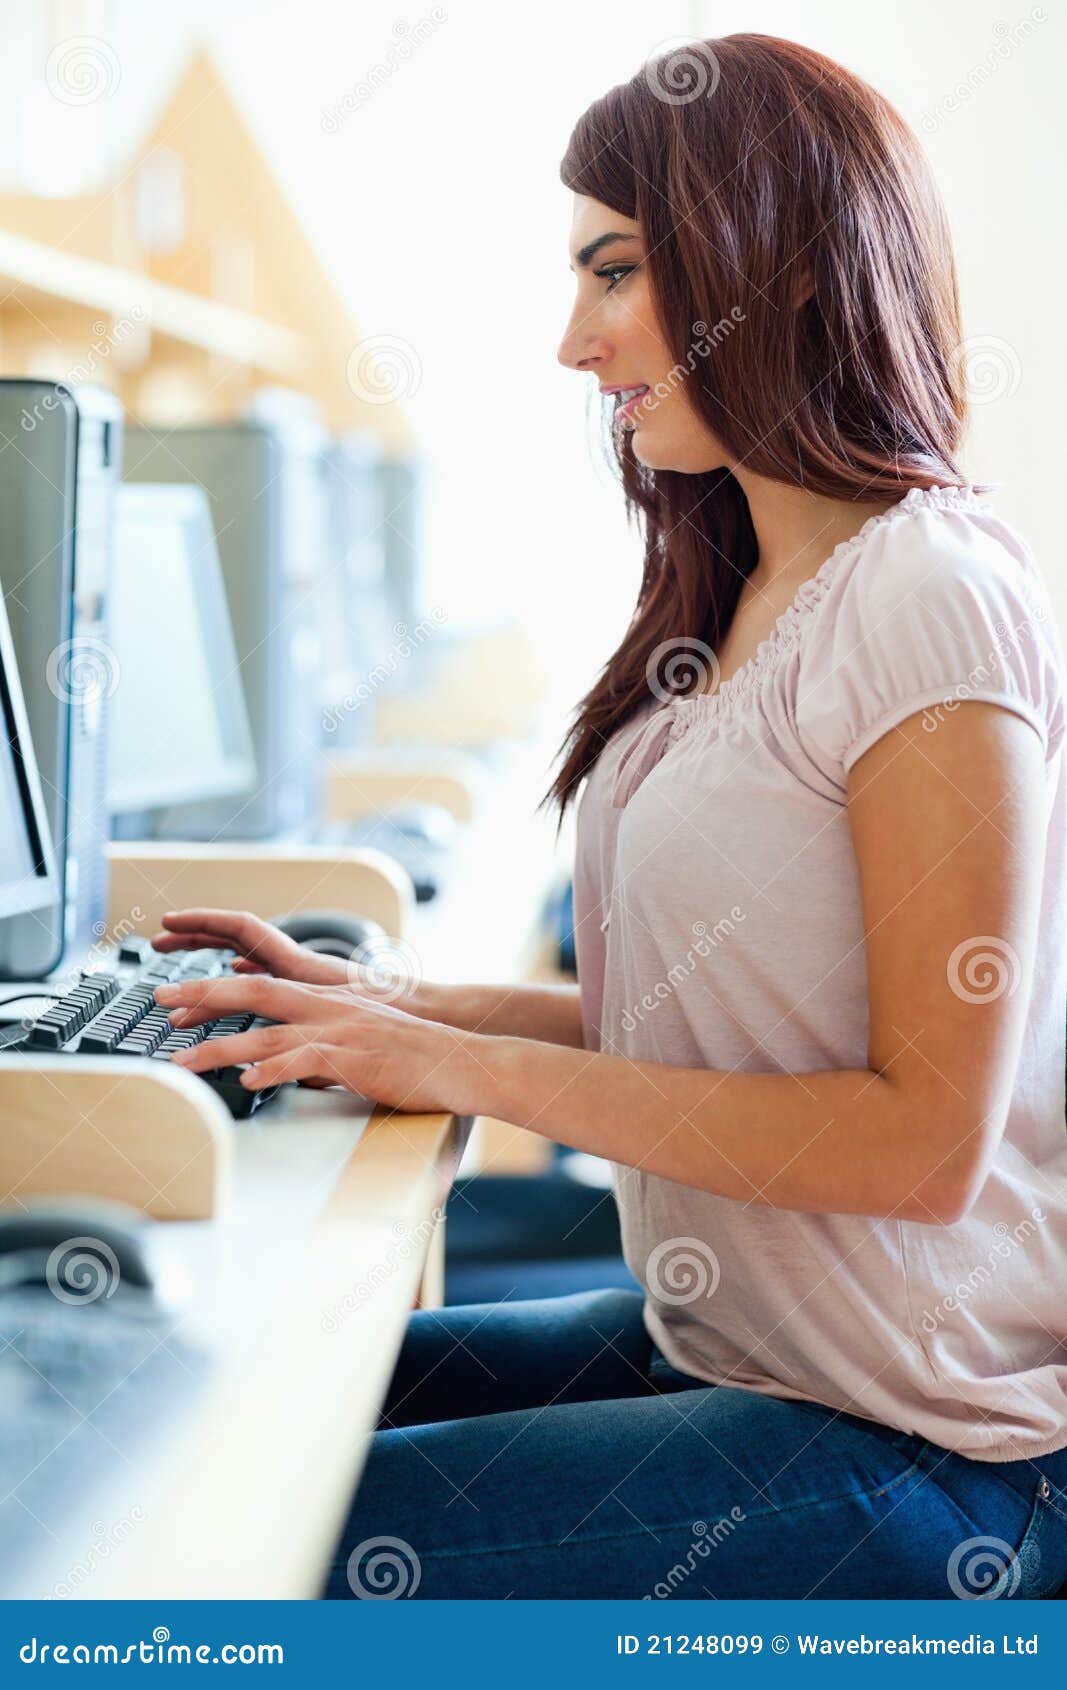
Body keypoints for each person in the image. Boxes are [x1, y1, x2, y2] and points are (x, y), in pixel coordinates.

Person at [149, 34, 1067, 1599]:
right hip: (738, 1344)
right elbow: (734, 1030)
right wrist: (386, 1002)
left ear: (768, 265)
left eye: (616, 271)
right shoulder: (751, 579)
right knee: (216, 1403)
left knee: (248, 1549)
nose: (574, 341)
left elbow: (921, 1137)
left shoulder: (927, 592)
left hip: (928, 1446)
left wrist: (452, 1061)